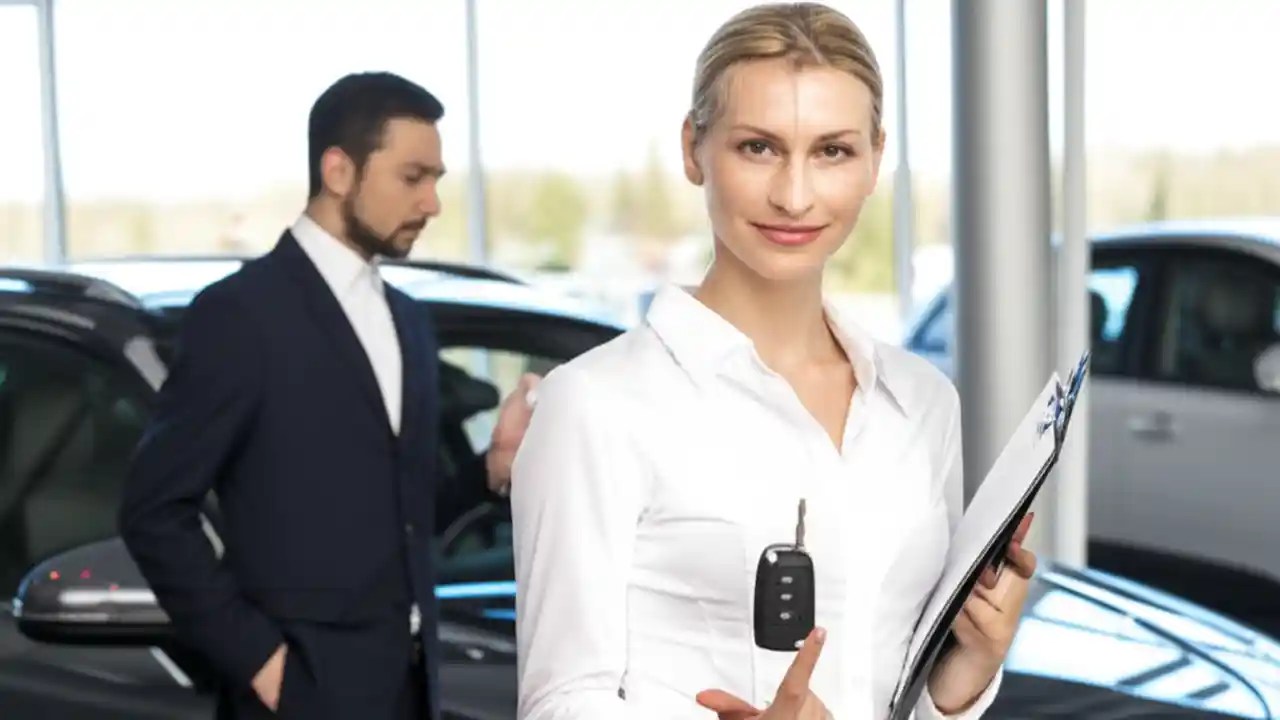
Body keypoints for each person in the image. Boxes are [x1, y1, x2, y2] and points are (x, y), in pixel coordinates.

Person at [508, 4, 1037, 719]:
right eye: (758, 148)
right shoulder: (597, 404)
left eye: (832, 152)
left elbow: (894, 685)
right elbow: (559, 704)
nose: (794, 196)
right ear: (694, 149)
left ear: (875, 158)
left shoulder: (923, 403)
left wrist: (963, 675)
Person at [119, 71, 536, 720]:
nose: (432, 203)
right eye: (412, 177)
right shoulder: (241, 315)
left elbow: (403, 515)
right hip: (298, 696)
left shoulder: (408, 320)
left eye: (436, 180)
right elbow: (154, 511)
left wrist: (491, 468)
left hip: (411, 689)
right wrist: (261, 662)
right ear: (338, 171)